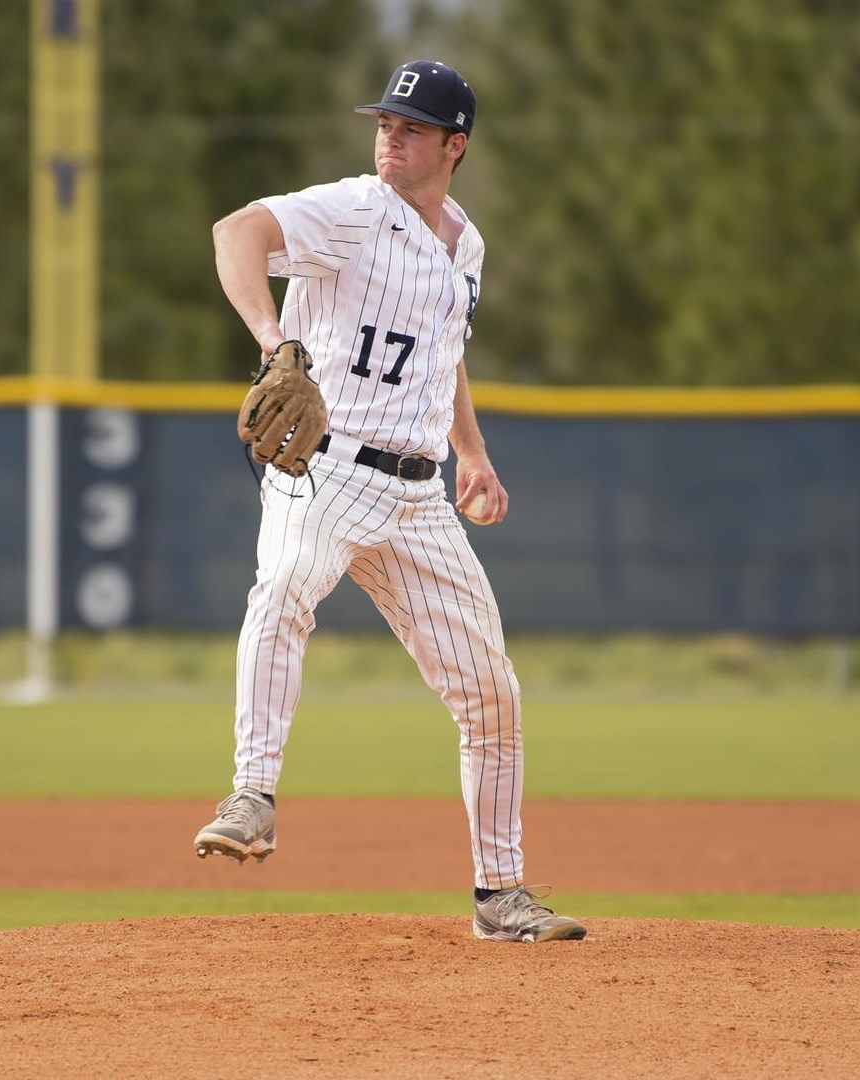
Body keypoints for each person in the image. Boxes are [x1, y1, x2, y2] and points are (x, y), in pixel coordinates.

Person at [192, 60, 585, 944]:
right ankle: (253, 794)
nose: (389, 137)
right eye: (384, 123)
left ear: (456, 146)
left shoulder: (465, 244)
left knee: (491, 692)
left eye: (410, 127)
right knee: (285, 584)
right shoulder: (351, 210)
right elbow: (235, 232)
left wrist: (473, 455)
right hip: (324, 470)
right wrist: (271, 341)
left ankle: (500, 897)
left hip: (417, 500)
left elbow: (443, 359)